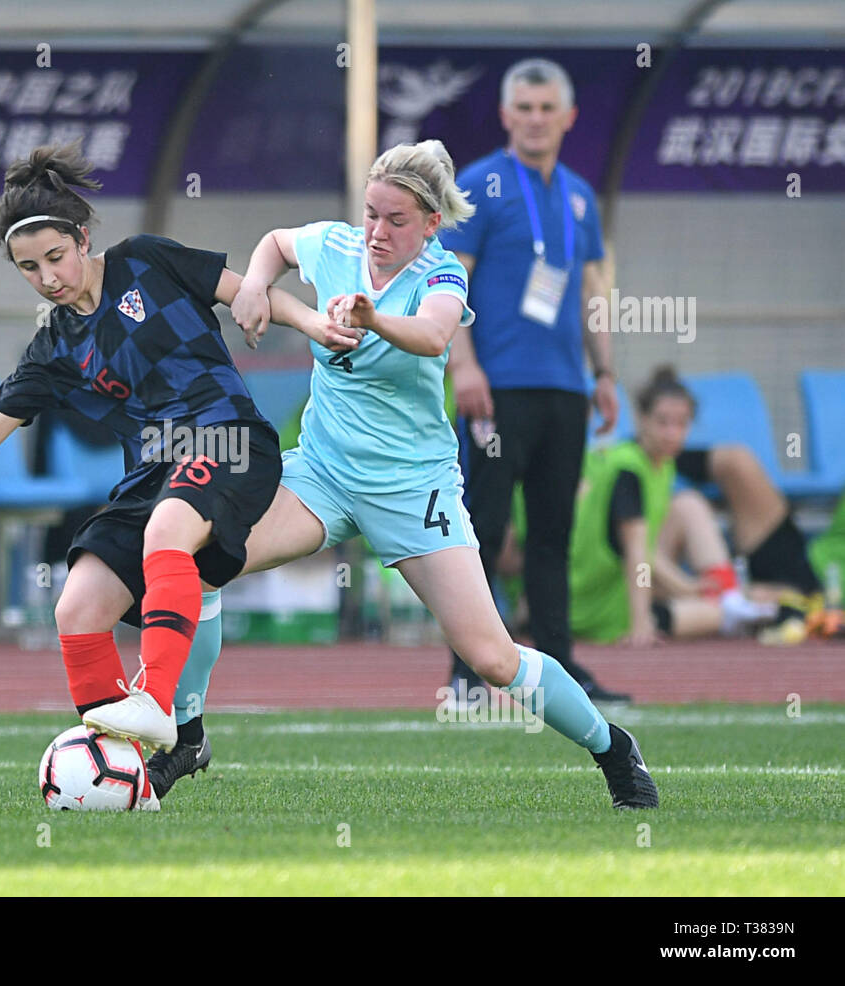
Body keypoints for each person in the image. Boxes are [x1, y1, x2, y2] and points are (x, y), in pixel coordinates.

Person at [161, 139, 659, 810]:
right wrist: (254, 283)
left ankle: (612, 748)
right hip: (324, 474)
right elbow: (277, 244)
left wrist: (372, 318)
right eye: (371, 213)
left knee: (492, 659)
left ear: (430, 223)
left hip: (412, 489)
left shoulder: (443, 273)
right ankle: (185, 737)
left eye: (396, 220)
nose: (377, 231)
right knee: (200, 559)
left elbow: (432, 336)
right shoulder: (336, 247)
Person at [0, 143, 294, 778]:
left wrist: (318, 326)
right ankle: (128, 767)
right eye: (29, 268)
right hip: (152, 472)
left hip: (228, 439)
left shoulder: (145, 260)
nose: (47, 276)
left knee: (169, 534)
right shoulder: (55, 347)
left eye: (55, 257)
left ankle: (159, 705)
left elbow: (246, 292)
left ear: (83, 239)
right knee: (76, 605)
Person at [438, 58, 626, 703]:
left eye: (548, 108)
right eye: (525, 107)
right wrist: (463, 365)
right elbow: (449, 282)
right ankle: (467, 671)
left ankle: (562, 670)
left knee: (552, 535)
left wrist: (603, 373)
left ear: (568, 117)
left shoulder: (578, 195)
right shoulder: (478, 185)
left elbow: (589, 292)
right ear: (506, 115)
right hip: (497, 387)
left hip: (565, 388)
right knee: (483, 527)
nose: (536, 119)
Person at [565, 368, 780, 645]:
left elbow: (648, 551)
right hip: (599, 603)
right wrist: (640, 624)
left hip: (626, 582)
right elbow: (635, 551)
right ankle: (728, 605)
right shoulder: (627, 469)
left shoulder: (662, 465)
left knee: (690, 503)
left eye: (681, 424)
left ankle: (728, 594)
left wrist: (688, 587)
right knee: (717, 614)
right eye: (663, 422)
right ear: (641, 419)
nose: (672, 433)